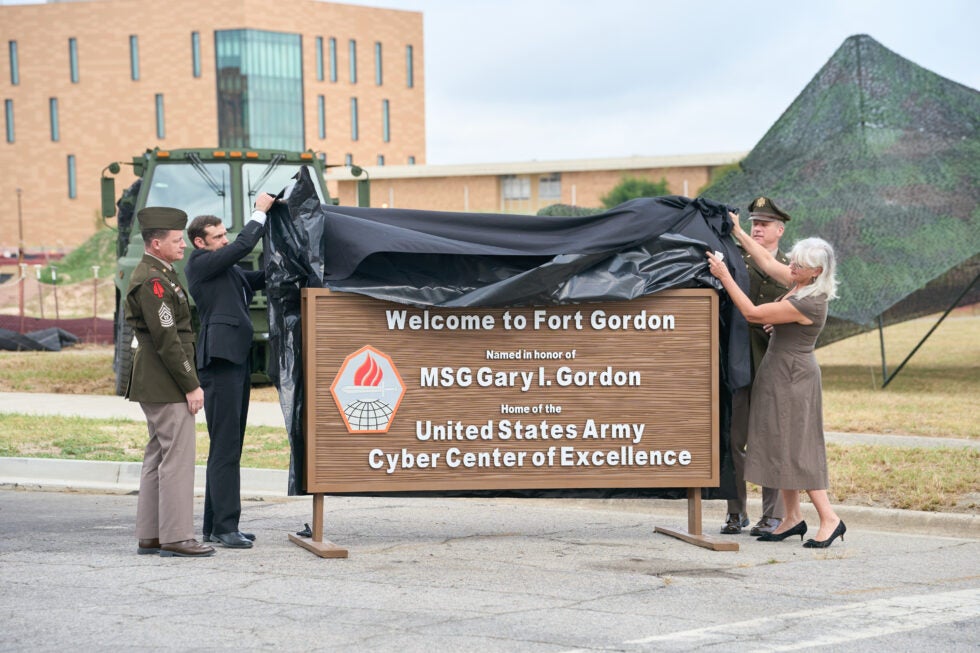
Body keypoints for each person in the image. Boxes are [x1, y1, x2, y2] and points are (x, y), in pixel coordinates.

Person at [706, 217, 846, 548]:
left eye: (801, 264)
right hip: (779, 372)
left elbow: (753, 314)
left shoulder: (809, 300)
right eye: (794, 259)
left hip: (794, 378)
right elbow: (768, 262)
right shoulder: (800, 284)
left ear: (817, 272)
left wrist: (725, 275)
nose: (792, 265)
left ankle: (830, 519)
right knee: (780, 444)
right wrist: (739, 231)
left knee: (798, 447)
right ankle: (792, 517)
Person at [184, 193, 275, 549]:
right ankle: (224, 526)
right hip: (219, 364)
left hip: (234, 362)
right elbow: (241, 246)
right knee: (224, 448)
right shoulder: (200, 264)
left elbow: (257, 278)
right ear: (200, 242)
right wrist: (259, 214)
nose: (224, 240)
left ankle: (216, 525)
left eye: (224, 234)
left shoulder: (227, 269)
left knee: (229, 446)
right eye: (217, 236)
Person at [125, 207, 214, 558]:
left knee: (158, 455)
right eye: (177, 241)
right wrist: (191, 384)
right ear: (157, 242)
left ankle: (151, 534)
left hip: (157, 378)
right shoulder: (154, 280)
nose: (183, 245)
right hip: (166, 380)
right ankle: (177, 536)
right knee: (177, 458)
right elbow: (167, 339)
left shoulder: (160, 272)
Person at [721, 196, 789, 536]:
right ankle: (736, 512)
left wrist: (785, 324)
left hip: (773, 360)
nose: (757, 228)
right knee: (736, 438)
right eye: (753, 223)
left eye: (763, 224)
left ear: (780, 230)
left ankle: (772, 514)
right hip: (739, 356)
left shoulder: (794, 267)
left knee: (771, 440)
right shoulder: (737, 259)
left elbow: (810, 315)